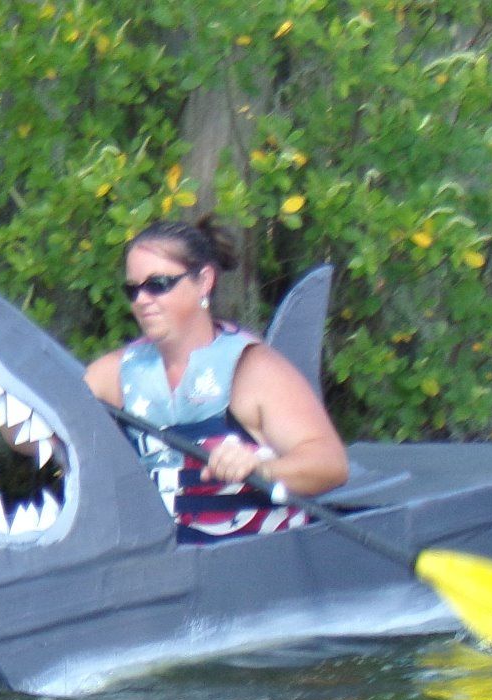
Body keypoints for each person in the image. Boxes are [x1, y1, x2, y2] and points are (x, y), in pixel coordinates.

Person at [84, 217, 349, 541]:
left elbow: (330, 464)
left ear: (204, 280)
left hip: (250, 566)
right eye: (132, 289)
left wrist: (260, 467)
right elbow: (40, 438)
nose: (141, 300)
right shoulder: (111, 375)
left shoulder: (254, 370)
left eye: (158, 285)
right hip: (155, 569)